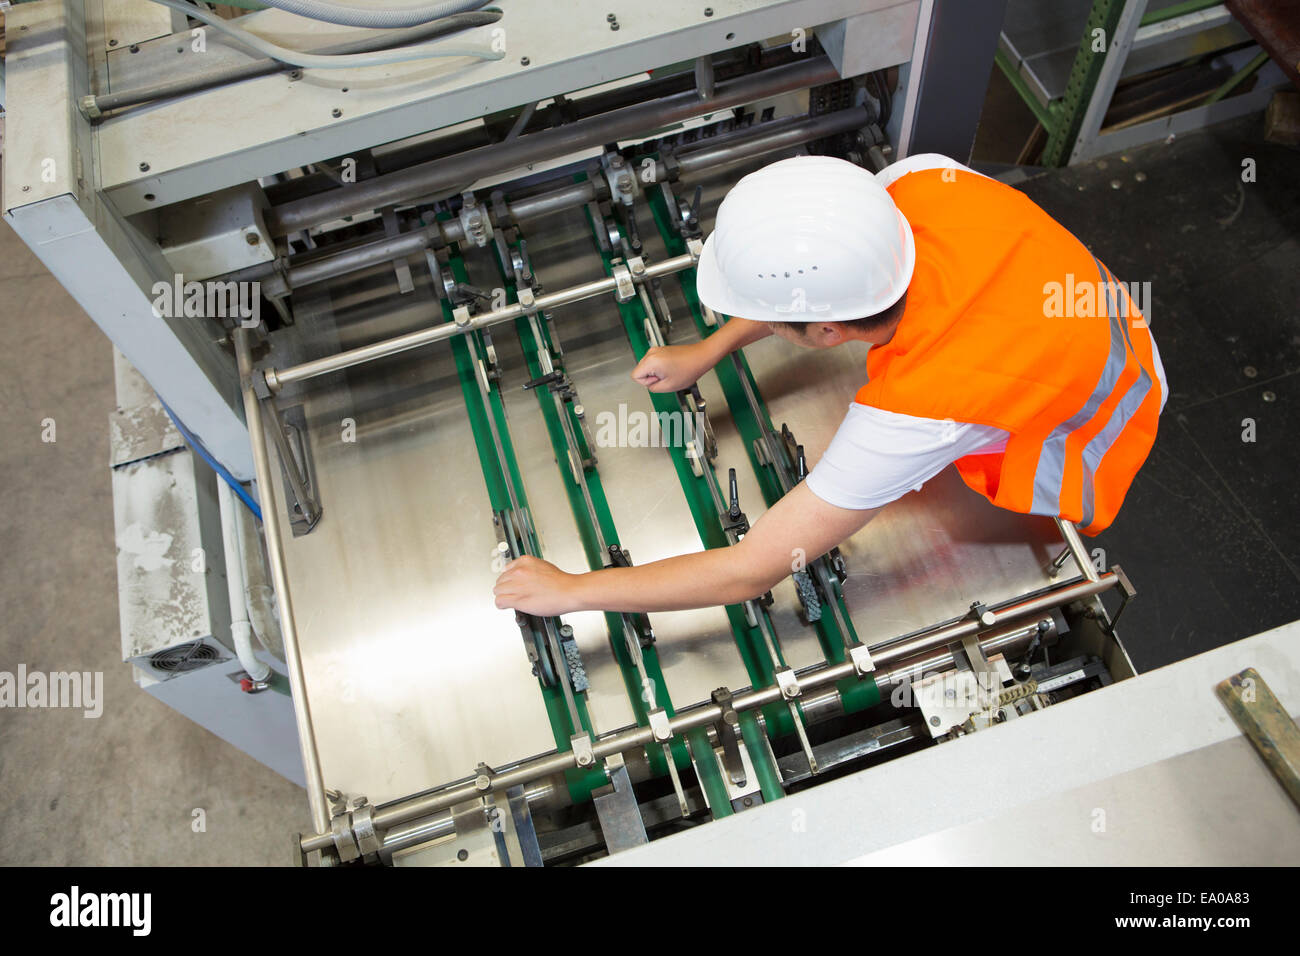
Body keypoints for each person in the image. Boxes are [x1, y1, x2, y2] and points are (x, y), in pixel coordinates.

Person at [493, 154, 1167, 617]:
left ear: (828, 336)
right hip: (1087, 306)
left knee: (1006, 447)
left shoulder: (920, 410)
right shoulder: (916, 184)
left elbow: (750, 569)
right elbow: (824, 278)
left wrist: (573, 589)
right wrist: (709, 350)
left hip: (1101, 409)